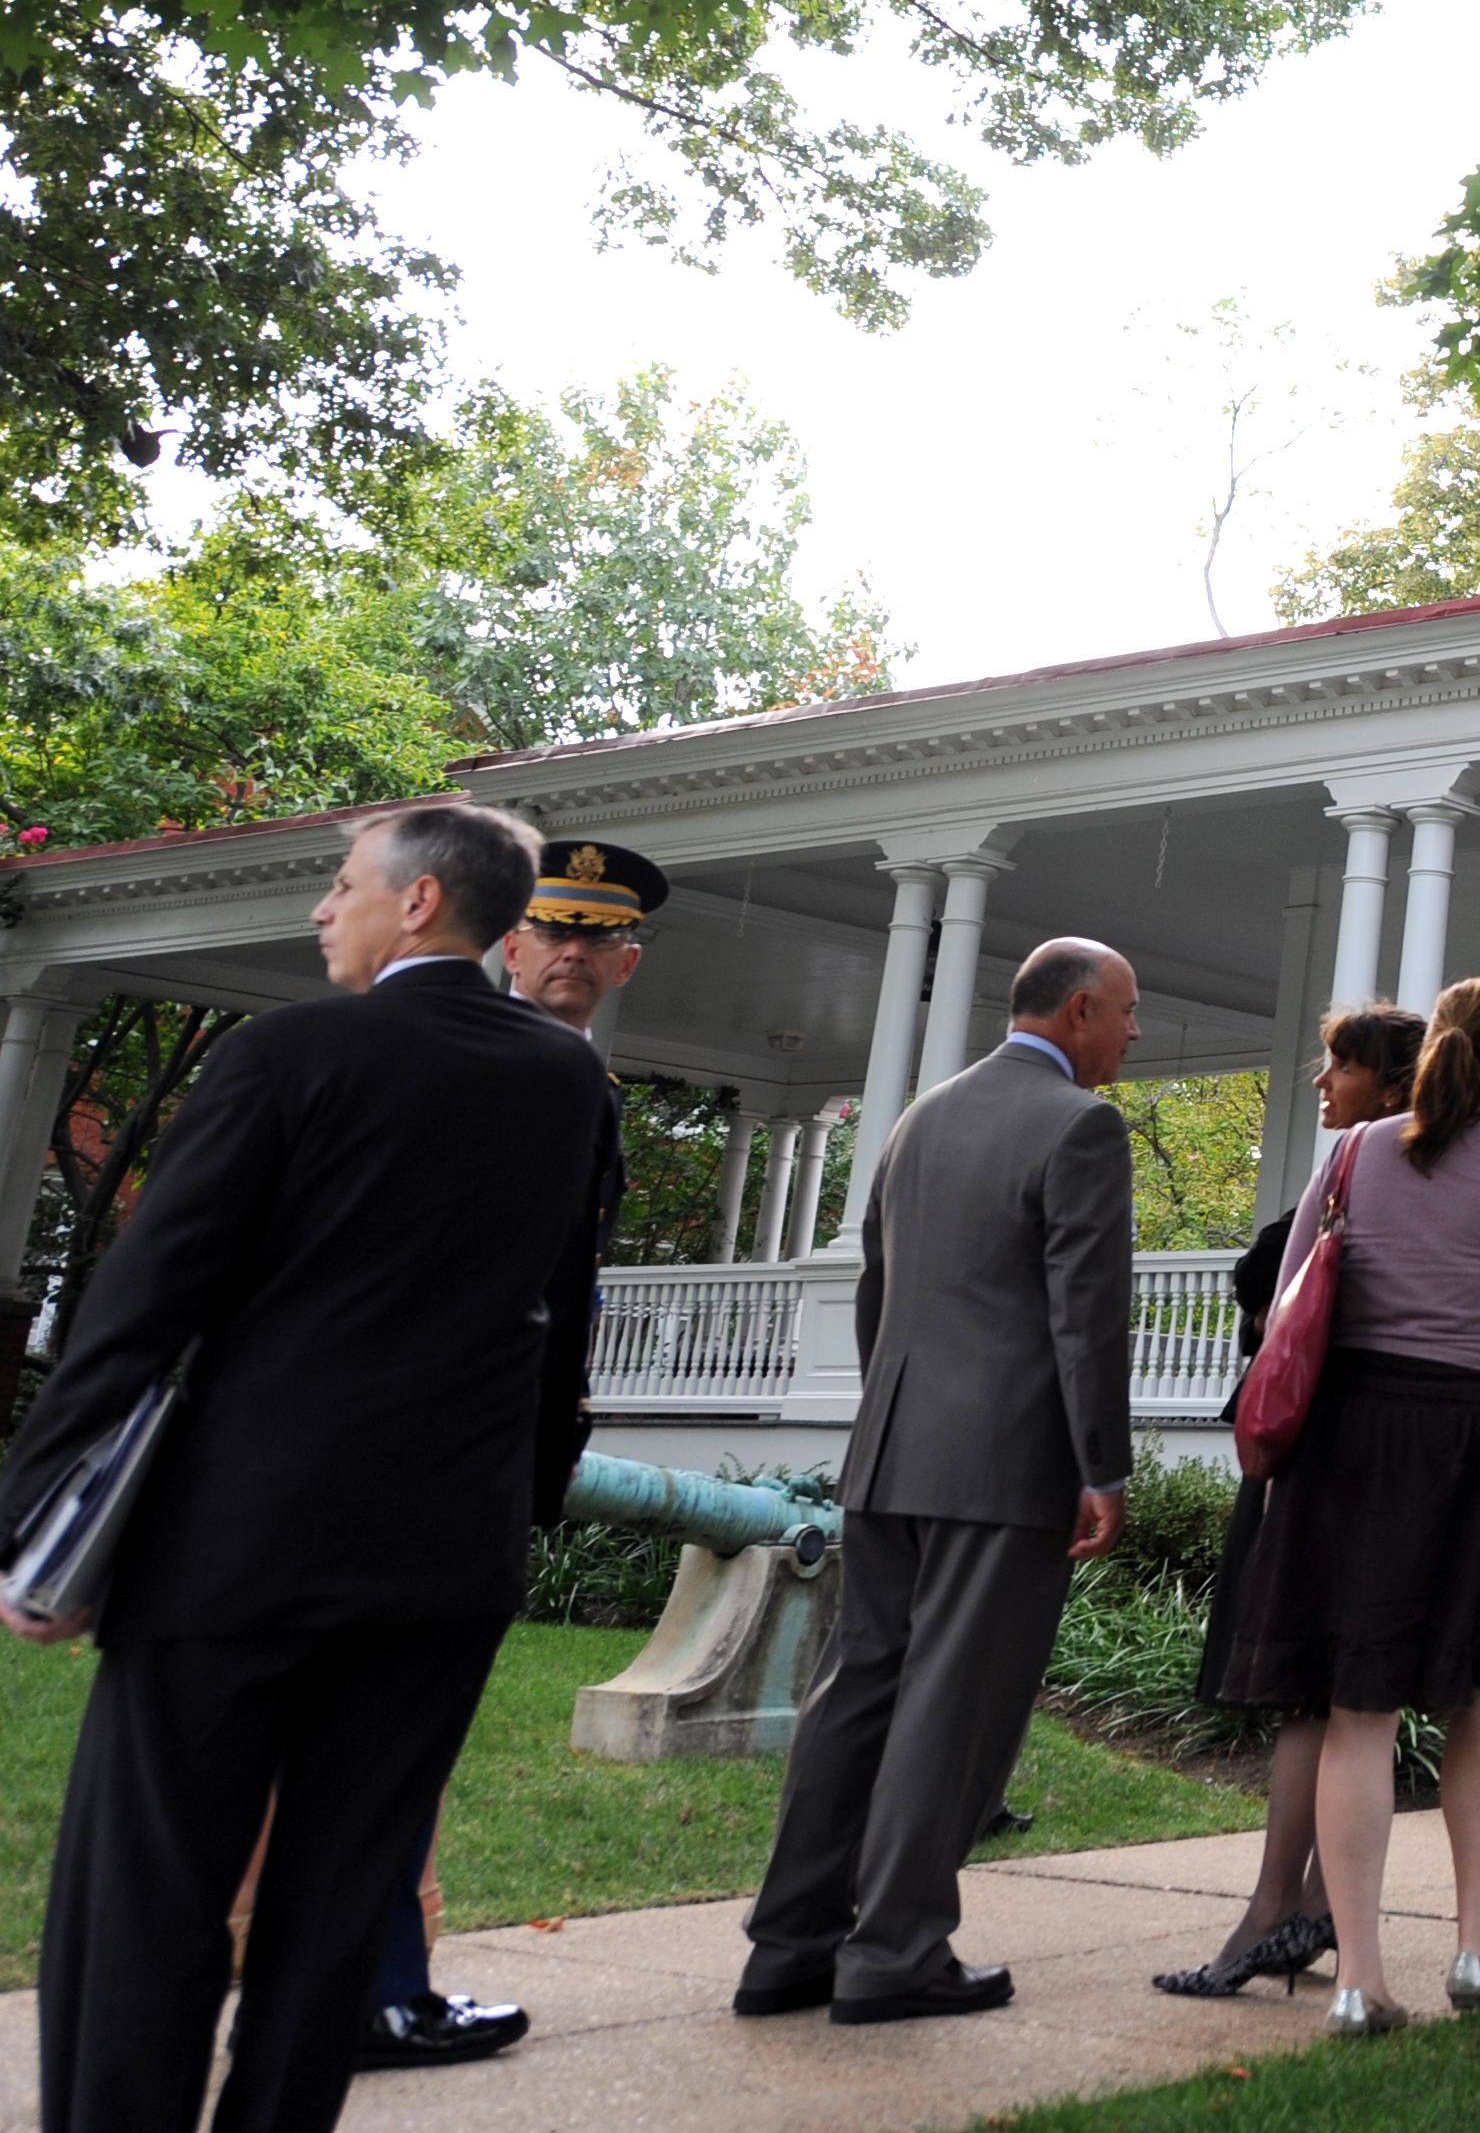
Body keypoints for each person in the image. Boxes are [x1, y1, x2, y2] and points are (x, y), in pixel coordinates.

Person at [4, 802, 615, 2133]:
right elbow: (565, 1321)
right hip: (445, 1561)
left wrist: (32, 1517)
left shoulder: (287, 1052)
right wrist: (519, 1513)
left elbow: (146, 1299)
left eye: (341, 886)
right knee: (339, 1902)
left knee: (150, 1891)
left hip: (238, 1546)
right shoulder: (568, 1083)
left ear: (417, 903)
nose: (319, 911)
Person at [735, 940, 1142, 2027]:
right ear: (1078, 1010)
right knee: (953, 1708)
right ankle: (896, 1952)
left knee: (855, 1690)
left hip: (893, 1448)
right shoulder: (1082, 1126)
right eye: (1127, 1014)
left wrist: (896, 1416)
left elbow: (878, 1286)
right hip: (1004, 1465)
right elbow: (1085, 1313)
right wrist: (1102, 1463)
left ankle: (790, 1945)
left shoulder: (920, 1116)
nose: (1134, 1035)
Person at [1208, 976, 1480, 2034]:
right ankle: (1474, 1949)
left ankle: (1358, 1980)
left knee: (1356, 1704)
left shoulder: (1354, 1154)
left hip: (1359, 1435)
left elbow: (1292, 1300)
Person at [347, 839, 671, 2075]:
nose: (573, 954)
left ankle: (371, 1976)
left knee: (384, 1737)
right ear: (508, 941)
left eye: (598, 939)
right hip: (425, 1449)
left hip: (470, 1449)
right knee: (383, 1737)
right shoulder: (459, 1058)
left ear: (624, 962)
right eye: (554, 929)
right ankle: (378, 1988)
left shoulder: (576, 1083)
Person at [1152, 1002, 1426, 1999]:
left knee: (1311, 1691)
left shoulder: (1359, 1163)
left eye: (1339, 1067)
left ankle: (1276, 1911)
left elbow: (1266, 1279)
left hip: (1315, 1458)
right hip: (1381, 1459)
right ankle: (1305, 1906)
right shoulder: (1441, 1172)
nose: (1322, 1084)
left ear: (1393, 1085)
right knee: (1348, 1695)